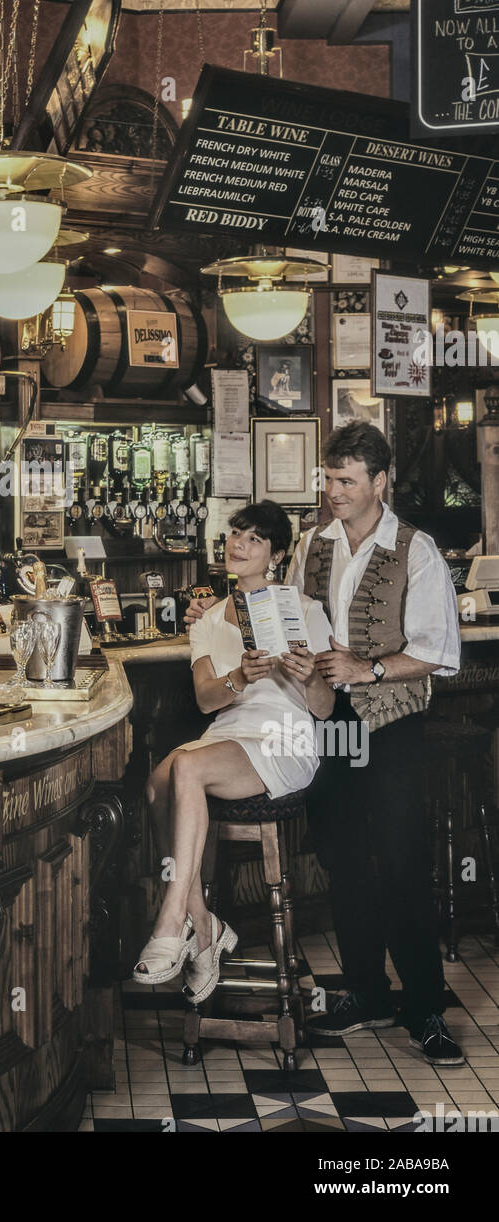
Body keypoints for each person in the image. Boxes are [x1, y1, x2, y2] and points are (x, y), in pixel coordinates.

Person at [184, 422, 463, 1066]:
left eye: (346, 481)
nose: (334, 491)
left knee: (398, 861)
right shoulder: (311, 542)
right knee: (342, 858)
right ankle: (365, 992)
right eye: (329, 479)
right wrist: (212, 614)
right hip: (326, 723)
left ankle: (424, 1005)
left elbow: (437, 650)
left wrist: (367, 669)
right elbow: (275, 612)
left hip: (390, 724)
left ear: (379, 483)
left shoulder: (415, 551)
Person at [134, 501, 335, 1000]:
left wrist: (308, 677)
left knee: (182, 767)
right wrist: (239, 677)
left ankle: (172, 921)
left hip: (285, 736)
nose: (237, 545)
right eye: (235, 535)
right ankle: (203, 925)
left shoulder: (305, 611)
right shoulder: (207, 619)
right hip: (229, 732)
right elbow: (206, 699)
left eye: (253, 539)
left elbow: (327, 710)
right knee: (157, 782)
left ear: (277, 555)